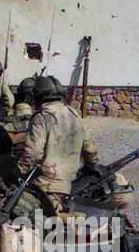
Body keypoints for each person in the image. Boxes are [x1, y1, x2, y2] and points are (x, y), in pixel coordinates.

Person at [16, 75, 99, 212]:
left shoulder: (41, 118)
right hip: (73, 183)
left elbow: (33, 153)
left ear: (37, 96)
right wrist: (93, 167)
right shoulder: (74, 114)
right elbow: (90, 148)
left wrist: (19, 172)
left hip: (47, 186)